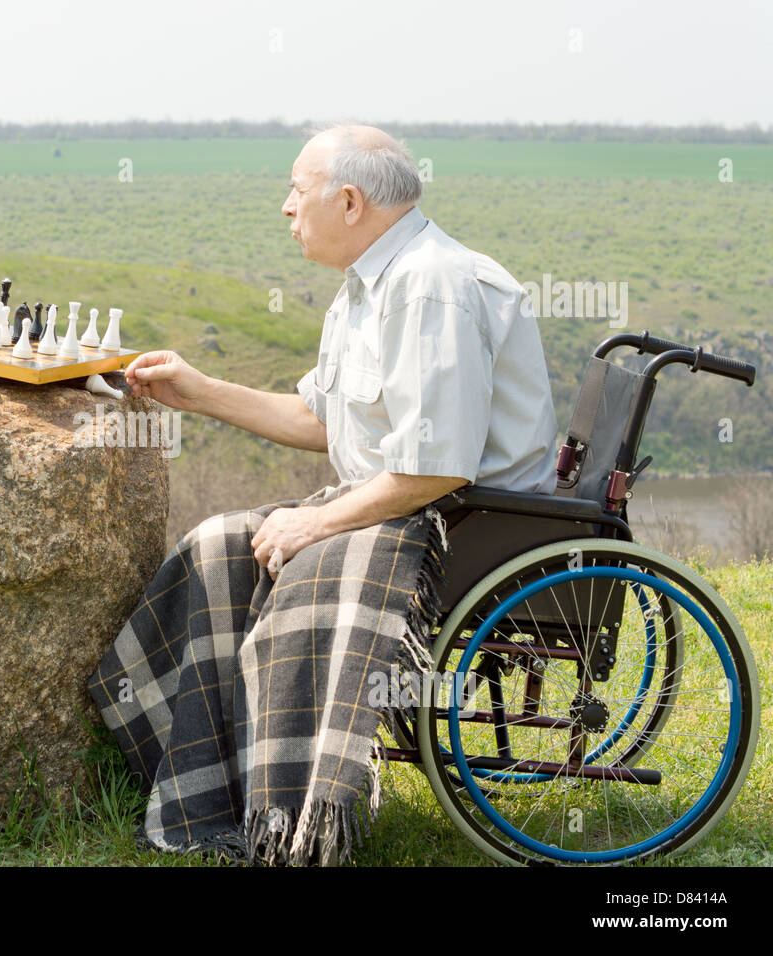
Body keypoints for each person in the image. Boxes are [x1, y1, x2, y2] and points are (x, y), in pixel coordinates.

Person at [87, 124, 558, 866]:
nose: (284, 208)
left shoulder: (428, 286)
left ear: (348, 201)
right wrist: (198, 391)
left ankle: (293, 821)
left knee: (300, 569)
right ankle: (205, 790)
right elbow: (320, 419)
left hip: (466, 526)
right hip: (411, 501)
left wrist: (316, 525)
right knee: (216, 545)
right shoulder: (367, 289)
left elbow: (435, 467)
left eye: (295, 191)